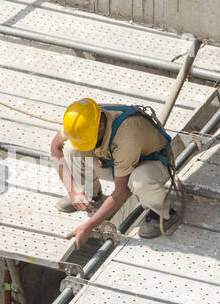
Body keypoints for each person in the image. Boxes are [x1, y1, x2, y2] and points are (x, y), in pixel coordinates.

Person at [50, 97, 180, 246]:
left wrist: (88, 226)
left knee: (139, 181)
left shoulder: (127, 137)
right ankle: (90, 195)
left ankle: (164, 214)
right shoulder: (80, 121)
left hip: (151, 163)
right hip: (117, 159)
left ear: (100, 125)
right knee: (72, 148)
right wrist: (73, 190)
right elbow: (56, 147)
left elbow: (122, 191)